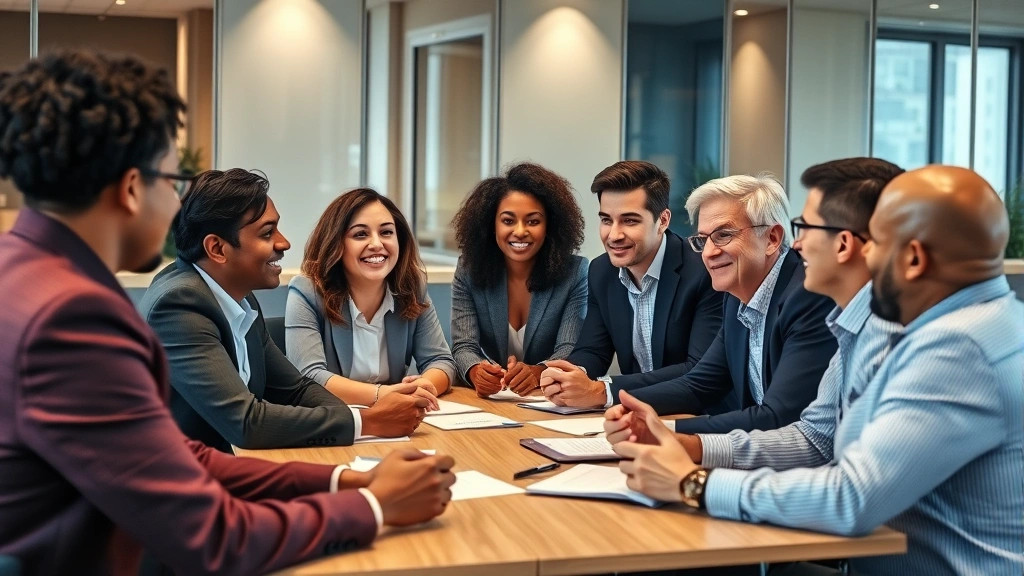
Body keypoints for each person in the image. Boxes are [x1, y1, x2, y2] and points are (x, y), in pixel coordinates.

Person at [0, 49, 454, 576]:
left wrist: (344, 480)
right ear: (130, 189)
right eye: (171, 182)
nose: (175, 206)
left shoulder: (28, 274)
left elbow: (170, 455)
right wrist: (374, 507)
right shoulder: (73, 315)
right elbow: (210, 536)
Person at [608, 165, 1024, 575]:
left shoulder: (956, 346)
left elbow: (851, 498)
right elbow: (816, 439)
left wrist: (694, 484)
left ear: (912, 258)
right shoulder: (904, 322)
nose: (797, 246)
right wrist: (694, 449)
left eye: (875, 243)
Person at [140, 170, 427, 453]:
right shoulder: (178, 306)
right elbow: (246, 423)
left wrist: (367, 418)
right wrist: (368, 421)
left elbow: (295, 390)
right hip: (177, 485)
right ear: (217, 248)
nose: (284, 242)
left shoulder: (240, 299)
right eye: (267, 233)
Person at [548, 173, 837, 437]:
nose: (709, 253)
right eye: (703, 239)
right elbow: (698, 383)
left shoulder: (807, 296)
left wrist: (664, 431)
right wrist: (614, 402)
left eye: (724, 235)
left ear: (772, 238)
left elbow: (780, 417)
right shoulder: (737, 294)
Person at [537, 160, 723, 408]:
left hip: (697, 416)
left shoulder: (703, 271)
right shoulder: (602, 271)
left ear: (663, 220)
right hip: (633, 416)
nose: (614, 235)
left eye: (630, 221)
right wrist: (569, 374)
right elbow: (594, 351)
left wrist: (604, 391)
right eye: (606, 220)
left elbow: (697, 368)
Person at [287, 188, 457, 405]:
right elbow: (309, 376)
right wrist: (383, 395)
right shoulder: (307, 292)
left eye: (386, 232)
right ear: (336, 244)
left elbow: (440, 360)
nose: (377, 244)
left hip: (396, 420)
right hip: (336, 424)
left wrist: (423, 387)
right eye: (360, 234)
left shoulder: (411, 288)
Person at [449, 162, 588, 397]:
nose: (520, 231)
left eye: (533, 221)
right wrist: (476, 371)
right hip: (491, 401)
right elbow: (464, 346)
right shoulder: (468, 270)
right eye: (508, 220)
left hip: (548, 399)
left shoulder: (574, 273)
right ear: (491, 225)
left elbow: (569, 348)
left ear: (549, 227)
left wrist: (538, 372)